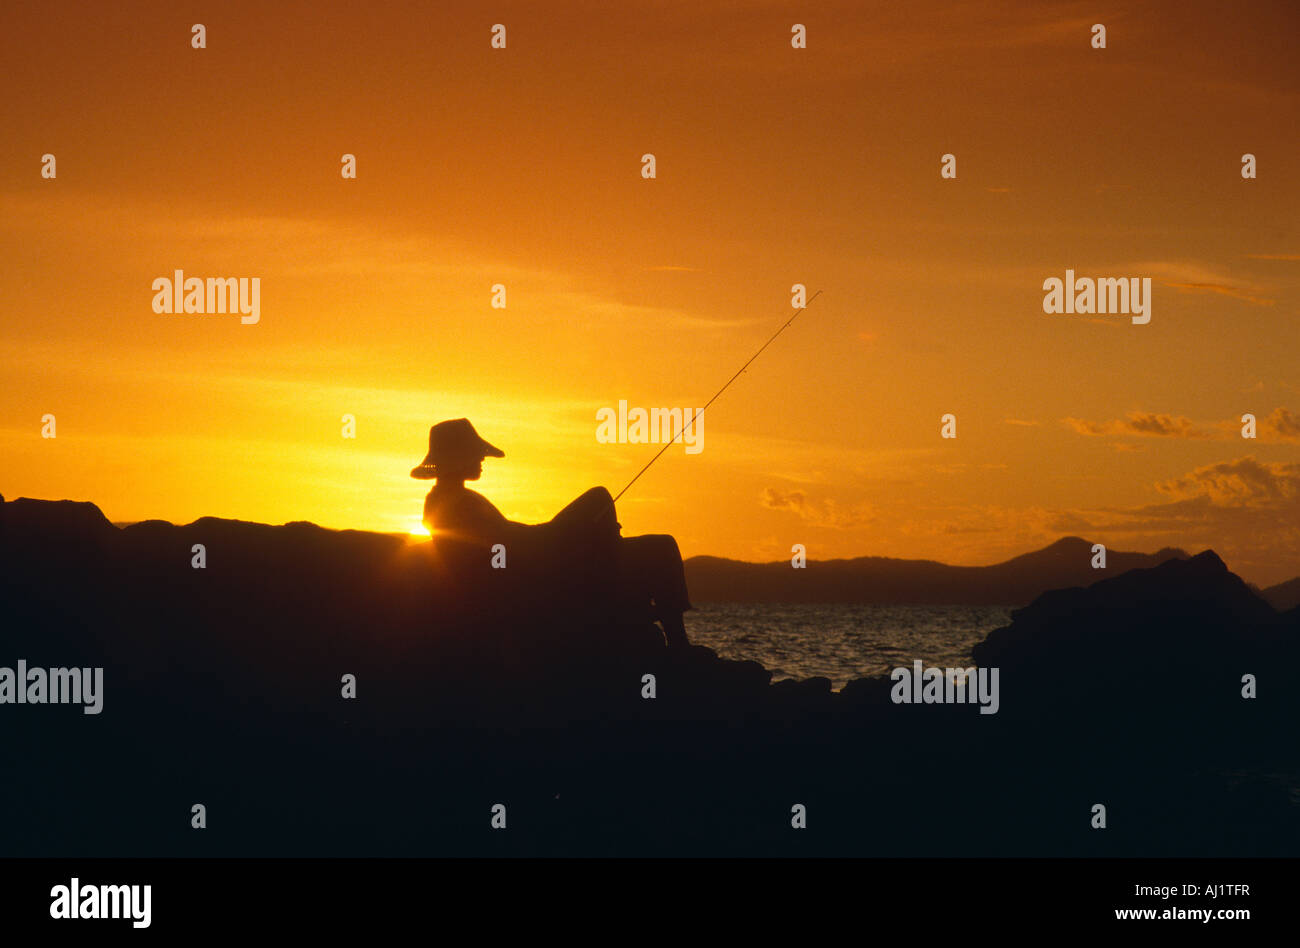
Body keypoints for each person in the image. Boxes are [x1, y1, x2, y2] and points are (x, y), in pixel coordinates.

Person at [411, 418, 692, 647]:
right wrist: (553, 538)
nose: (481, 461)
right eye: (474, 455)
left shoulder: (451, 500)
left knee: (657, 544)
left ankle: (612, 556)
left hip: (535, 555)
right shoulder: (453, 503)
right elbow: (500, 548)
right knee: (601, 498)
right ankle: (677, 645)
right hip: (536, 564)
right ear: (458, 458)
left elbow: (499, 540)